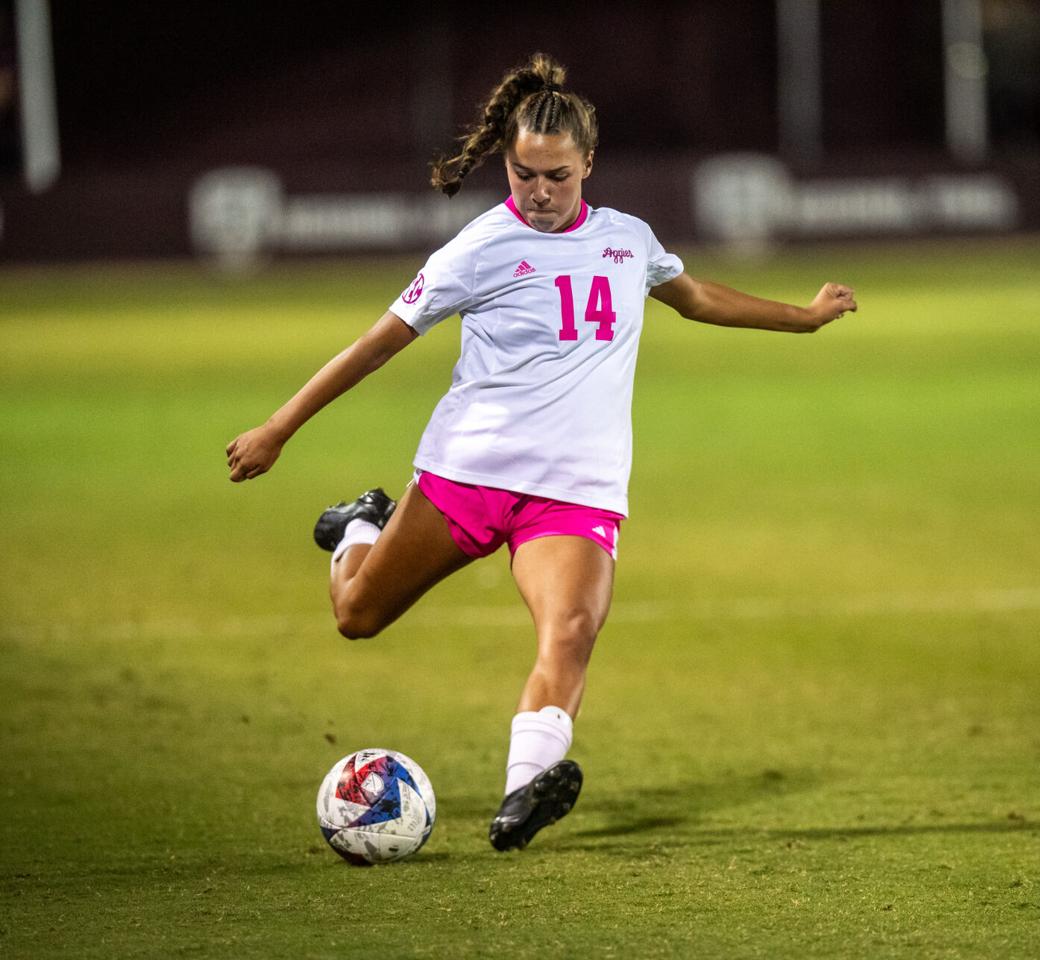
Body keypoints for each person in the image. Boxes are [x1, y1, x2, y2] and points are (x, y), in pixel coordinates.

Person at [226, 53, 857, 852]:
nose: (539, 192)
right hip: (468, 477)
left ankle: (521, 797)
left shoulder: (628, 240)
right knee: (356, 616)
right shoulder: (479, 248)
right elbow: (375, 346)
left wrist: (800, 318)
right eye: (524, 174)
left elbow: (693, 297)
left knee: (571, 630)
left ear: (587, 163)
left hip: (576, 492)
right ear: (508, 164)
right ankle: (361, 525)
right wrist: (279, 428)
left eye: (556, 175)